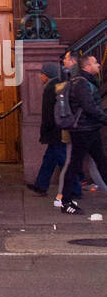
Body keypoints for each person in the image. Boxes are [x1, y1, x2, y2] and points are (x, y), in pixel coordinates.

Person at [26, 60, 81, 200]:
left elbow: (48, 114)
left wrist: (46, 130)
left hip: (56, 130)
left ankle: (75, 189)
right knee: (49, 159)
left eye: (42, 74)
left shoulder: (51, 88)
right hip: (60, 129)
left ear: (47, 75)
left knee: (62, 160)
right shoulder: (60, 85)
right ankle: (41, 185)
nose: (40, 76)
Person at [61, 63, 107, 214]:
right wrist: (104, 118)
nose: (98, 64)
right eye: (95, 62)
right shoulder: (81, 82)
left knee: (101, 163)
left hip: (89, 128)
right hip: (83, 130)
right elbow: (89, 107)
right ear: (87, 66)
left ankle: (65, 201)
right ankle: (65, 201)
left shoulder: (86, 81)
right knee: (75, 165)